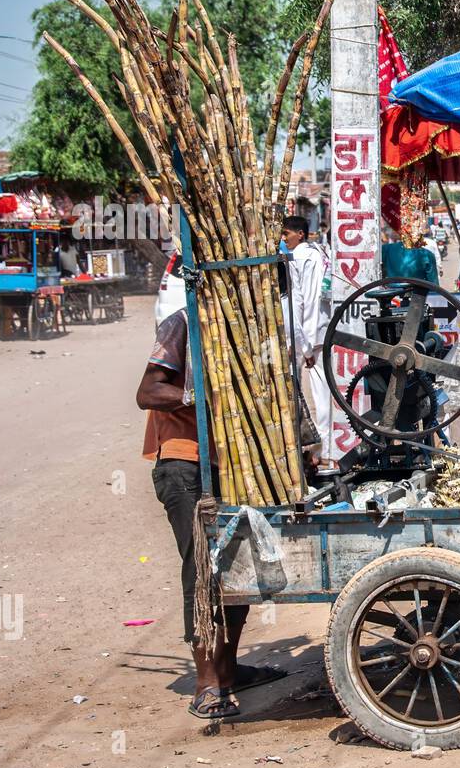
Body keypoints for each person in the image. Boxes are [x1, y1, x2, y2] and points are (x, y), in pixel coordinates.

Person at [136, 308, 285, 719]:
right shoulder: (182, 322)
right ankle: (206, 683)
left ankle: (227, 667)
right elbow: (147, 392)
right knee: (203, 571)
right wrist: (201, 395)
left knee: (239, 571)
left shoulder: (246, 317)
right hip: (185, 465)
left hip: (233, 465)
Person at [281, 216, 336, 471]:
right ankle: (322, 451)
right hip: (322, 330)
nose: (284, 239)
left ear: (300, 234)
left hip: (304, 334)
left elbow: (301, 300)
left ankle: (299, 449)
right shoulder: (320, 253)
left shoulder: (298, 258)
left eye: (286, 234)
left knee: (292, 390)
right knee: (322, 394)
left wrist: (302, 343)